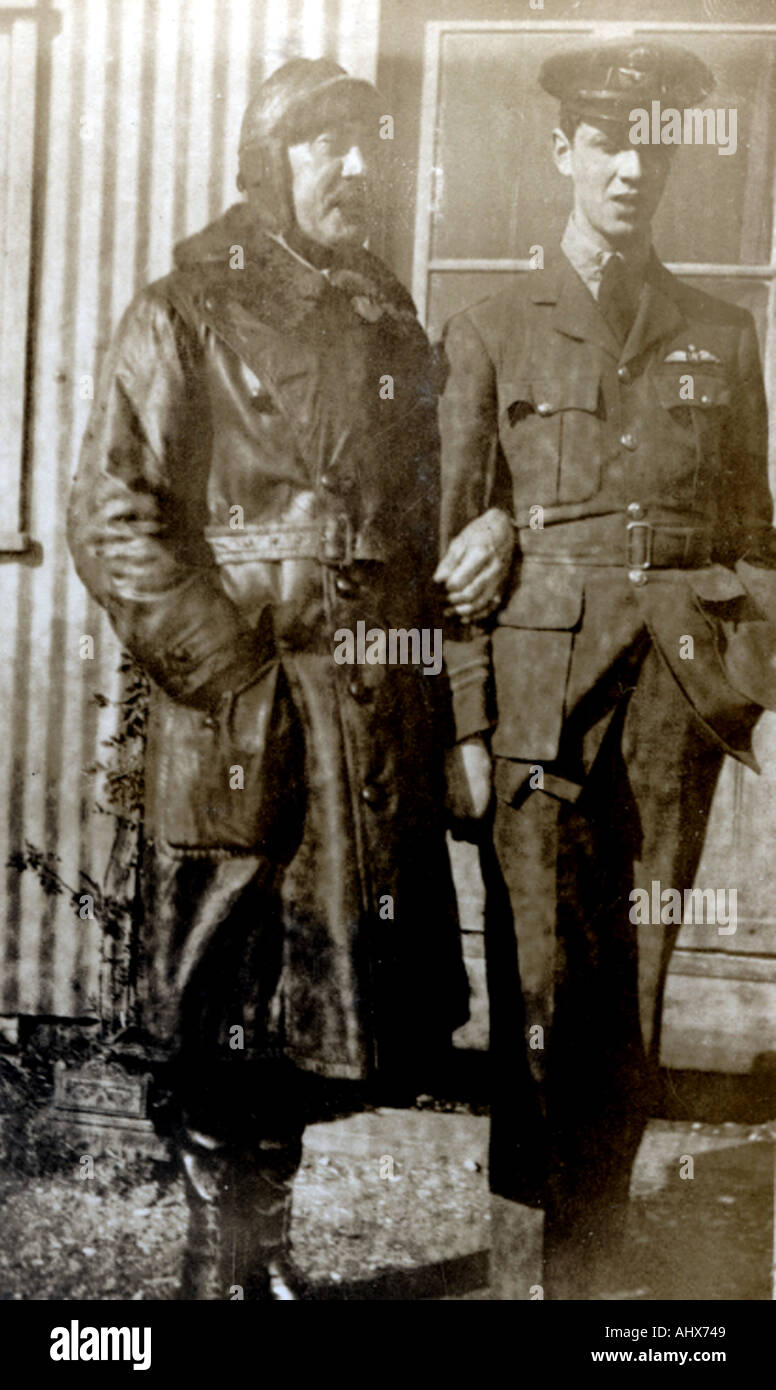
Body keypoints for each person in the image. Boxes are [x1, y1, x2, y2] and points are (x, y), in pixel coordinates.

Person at [68, 56, 513, 1300]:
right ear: (270, 160)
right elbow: (112, 518)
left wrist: (479, 559)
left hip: (364, 712)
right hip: (243, 718)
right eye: (325, 144)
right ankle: (219, 1266)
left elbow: (423, 509)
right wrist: (233, 676)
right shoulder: (184, 306)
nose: (356, 168)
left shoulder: (382, 315)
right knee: (225, 995)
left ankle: (262, 1254)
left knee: (318, 1014)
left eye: (367, 142)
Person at [440, 39, 776, 1299]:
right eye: (608, 144)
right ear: (563, 154)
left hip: (670, 708)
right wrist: (465, 725)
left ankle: (590, 1258)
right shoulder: (482, 330)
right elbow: (450, 549)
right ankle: (526, 1258)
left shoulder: (719, 332)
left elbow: (752, 532)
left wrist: (750, 681)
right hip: (538, 708)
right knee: (538, 977)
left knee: (635, 983)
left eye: (652, 147)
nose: (631, 168)